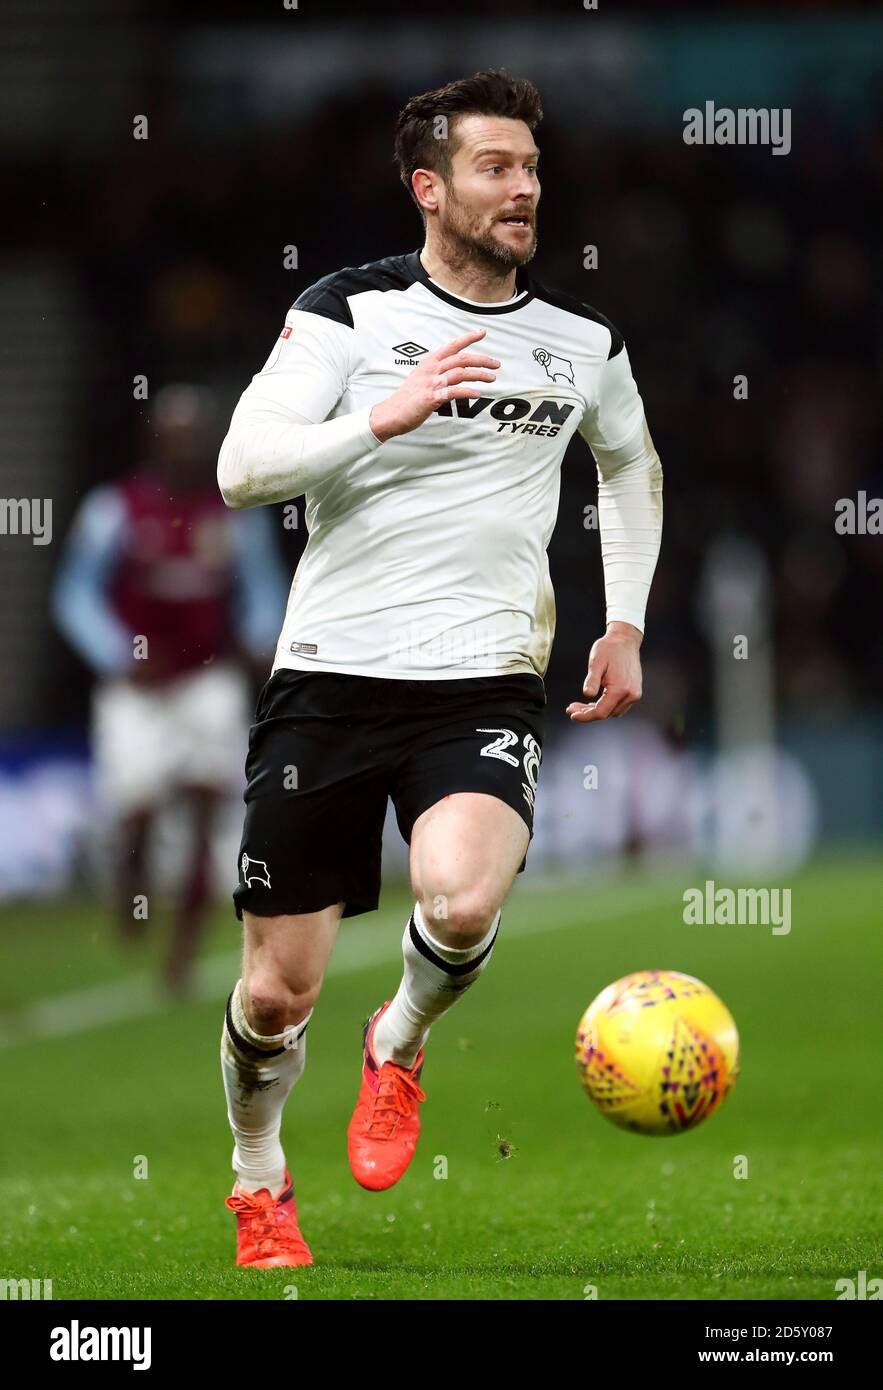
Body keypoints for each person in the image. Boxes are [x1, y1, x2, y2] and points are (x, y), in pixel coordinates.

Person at [217, 71, 663, 1268]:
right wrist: (383, 416)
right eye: (494, 168)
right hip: (329, 676)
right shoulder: (347, 313)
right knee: (274, 996)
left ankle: (399, 1040)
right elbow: (243, 467)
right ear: (429, 186)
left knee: (461, 901)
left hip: (481, 681)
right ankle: (259, 1178)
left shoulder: (581, 341)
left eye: (529, 167)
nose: (522, 188)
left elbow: (629, 468)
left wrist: (622, 620)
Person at [53, 384, 288, 996]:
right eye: (175, 434)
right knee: (137, 805)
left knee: (211, 801)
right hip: (136, 686)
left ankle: (182, 956)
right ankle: (131, 891)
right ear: (154, 439)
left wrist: (260, 643)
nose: (186, 447)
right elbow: (75, 595)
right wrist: (116, 653)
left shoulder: (234, 510)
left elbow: (263, 589)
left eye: (196, 435)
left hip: (207, 678)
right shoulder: (114, 509)